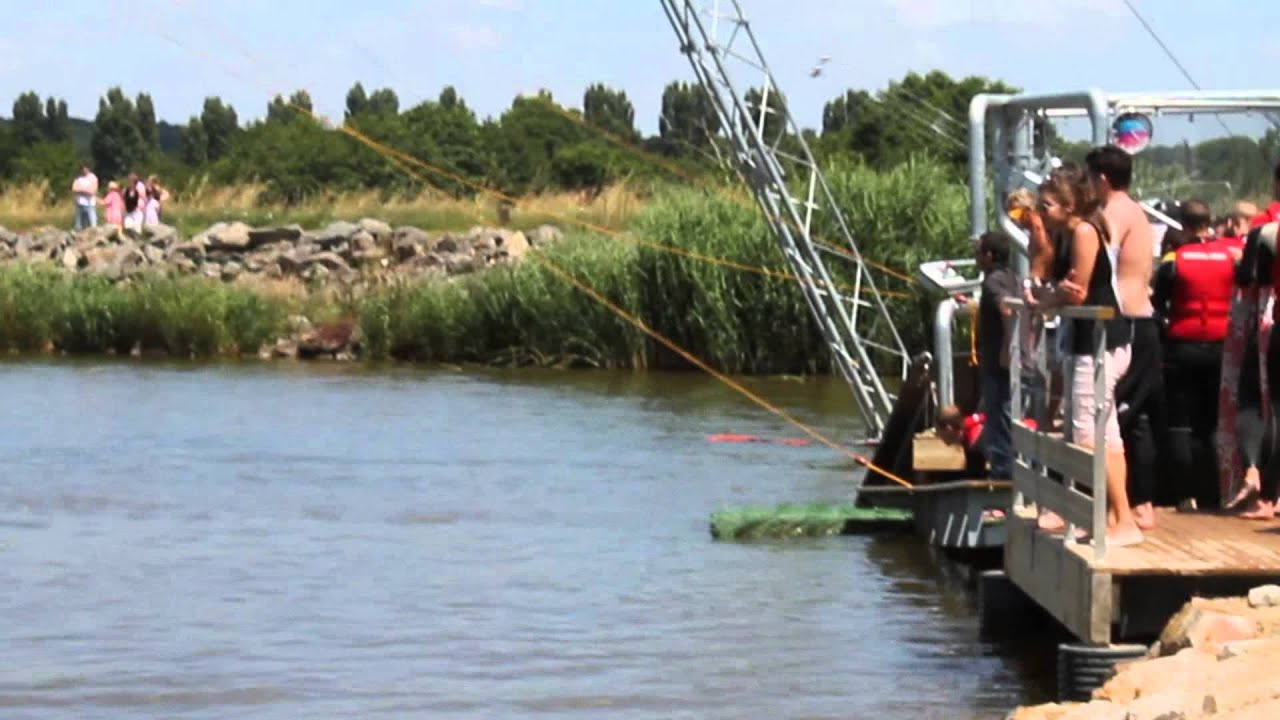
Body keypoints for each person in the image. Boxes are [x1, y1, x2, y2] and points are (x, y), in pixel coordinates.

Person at [1031, 165, 1140, 545]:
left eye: (1047, 205)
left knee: (1088, 432)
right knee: (1100, 432)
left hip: (1100, 343)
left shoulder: (1083, 231)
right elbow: (1058, 282)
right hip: (1087, 343)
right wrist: (1049, 292)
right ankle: (1111, 516)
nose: (1041, 211)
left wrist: (1049, 298)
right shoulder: (1067, 233)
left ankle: (1115, 517)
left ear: (1069, 203)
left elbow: (1076, 291)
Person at [1087, 145, 1162, 530]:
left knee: (1118, 416)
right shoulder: (1136, 210)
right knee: (1136, 418)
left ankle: (1132, 504)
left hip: (1128, 323)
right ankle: (1140, 502)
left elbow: (1102, 260)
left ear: (1101, 178)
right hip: (1141, 319)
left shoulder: (1114, 213)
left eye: (1089, 178)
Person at [1152, 200, 1234, 508]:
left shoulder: (1175, 260)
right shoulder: (1229, 257)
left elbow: (1158, 304)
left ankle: (1184, 494)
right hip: (1220, 346)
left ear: (1183, 225)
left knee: (1180, 422)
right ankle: (1212, 493)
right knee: (1211, 422)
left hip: (1182, 345)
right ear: (1208, 221)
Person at [975, 230, 1019, 480]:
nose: (977, 257)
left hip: (998, 363)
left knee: (999, 418)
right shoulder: (1012, 277)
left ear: (989, 256)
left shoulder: (993, 282)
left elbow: (1007, 310)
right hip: (1012, 361)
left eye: (979, 252)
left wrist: (1006, 349)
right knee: (1007, 415)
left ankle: (1003, 477)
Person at [936, 404, 987, 477]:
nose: (939, 436)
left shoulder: (974, 440)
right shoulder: (968, 425)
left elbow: (975, 477)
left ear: (948, 429)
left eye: (938, 432)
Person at [71, 165, 99, 230]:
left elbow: (92, 191)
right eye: (83, 169)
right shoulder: (78, 178)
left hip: (90, 204)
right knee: (79, 225)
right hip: (79, 203)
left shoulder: (93, 177)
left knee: (92, 223)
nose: (84, 170)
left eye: (85, 168)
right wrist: (85, 190)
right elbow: (74, 188)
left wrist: (81, 190)